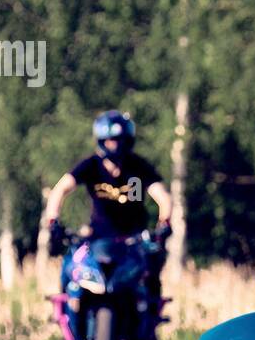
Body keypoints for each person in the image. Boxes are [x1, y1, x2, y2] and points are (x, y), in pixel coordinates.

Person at [41, 110, 173, 303]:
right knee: (70, 265)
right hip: (97, 239)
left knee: (151, 269)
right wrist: (53, 220)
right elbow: (60, 189)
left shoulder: (138, 166)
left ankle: (149, 318)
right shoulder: (91, 165)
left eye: (119, 140)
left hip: (134, 240)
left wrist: (164, 224)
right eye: (111, 140)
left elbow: (163, 197)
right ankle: (67, 311)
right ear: (102, 140)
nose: (115, 145)